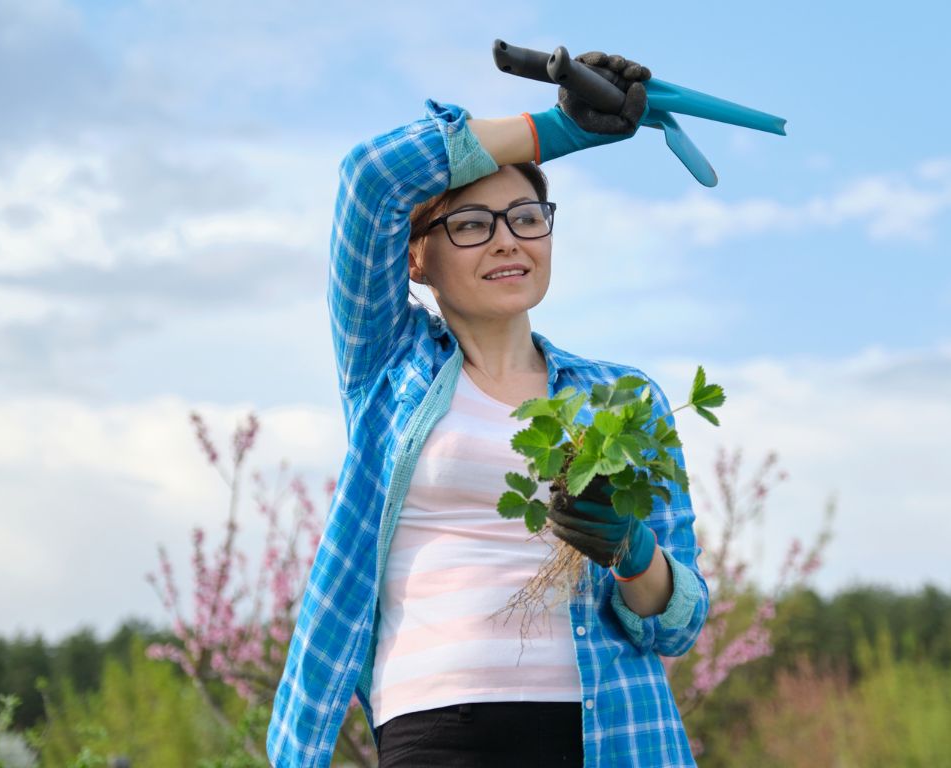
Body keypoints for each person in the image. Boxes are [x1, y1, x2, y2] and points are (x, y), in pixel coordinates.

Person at [267, 51, 710, 768]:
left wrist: (634, 555)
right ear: (415, 257)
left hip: (612, 733)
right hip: (438, 728)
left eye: (527, 217)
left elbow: (677, 624)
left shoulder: (624, 400)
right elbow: (370, 177)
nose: (508, 238)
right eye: (471, 223)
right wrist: (561, 130)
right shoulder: (388, 368)